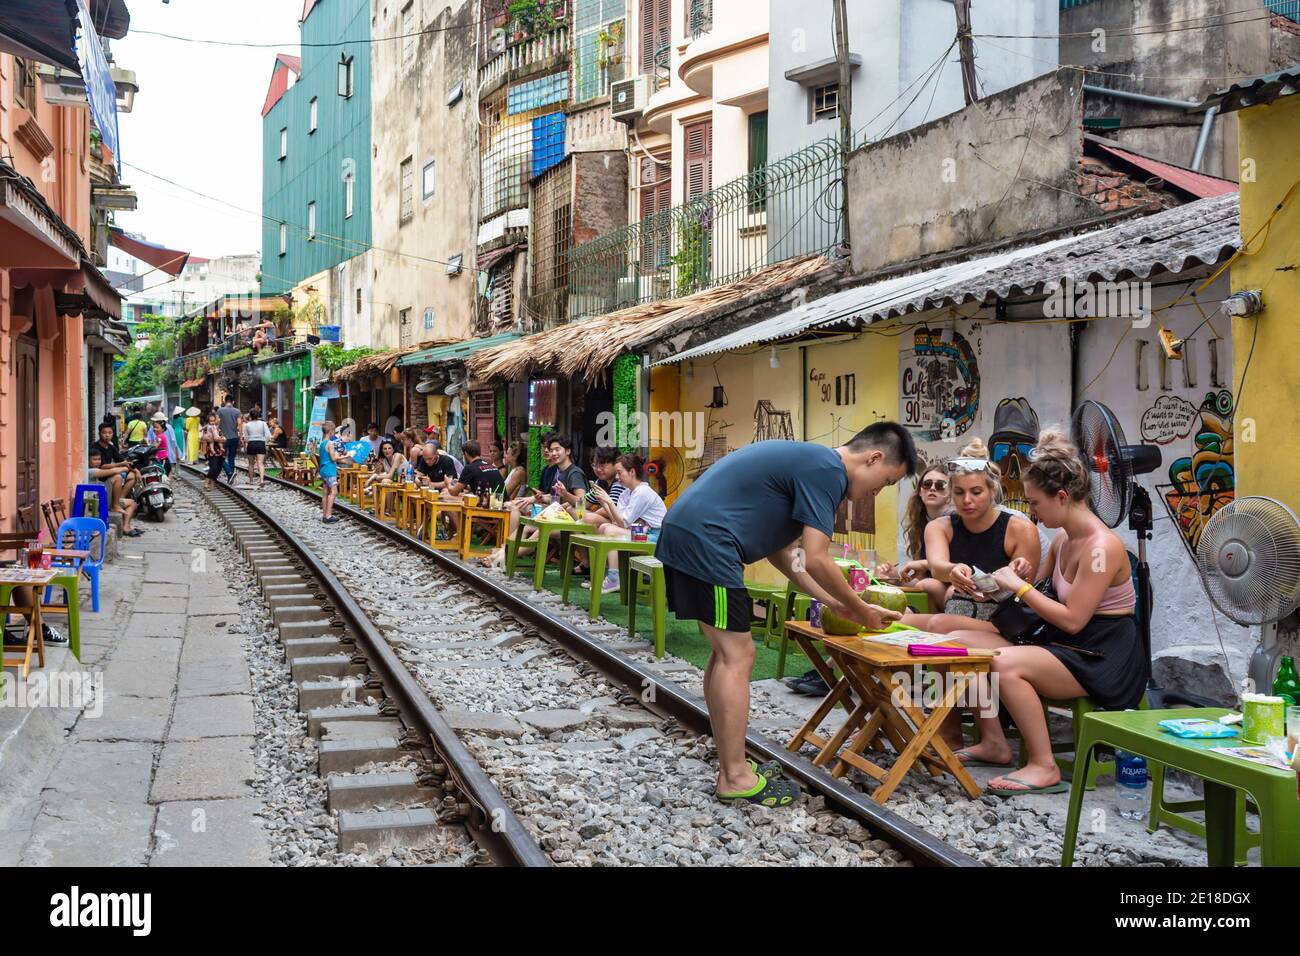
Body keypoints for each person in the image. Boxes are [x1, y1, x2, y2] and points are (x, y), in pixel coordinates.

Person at [656, 423, 918, 807]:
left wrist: (835, 603)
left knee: (725, 653)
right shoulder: (828, 471)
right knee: (739, 654)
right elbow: (816, 556)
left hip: (692, 535)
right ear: (873, 458)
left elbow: (786, 556)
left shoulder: (810, 465)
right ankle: (734, 776)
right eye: (885, 481)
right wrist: (860, 610)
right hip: (709, 542)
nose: (877, 492)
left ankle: (730, 761)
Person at [937, 430, 1148, 795]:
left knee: (1003, 662)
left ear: (1062, 497)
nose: (1030, 512)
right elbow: (1037, 593)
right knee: (955, 643)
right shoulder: (1065, 538)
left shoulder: (1103, 548)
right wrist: (1004, 585)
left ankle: (1044, 765)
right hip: (1063, 642)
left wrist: (1019, 588)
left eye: (1035, 503)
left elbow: (1073, 618)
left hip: (1101, 654)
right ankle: (994, 742)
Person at [903, 439, 1041, 632]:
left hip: (1004, 620)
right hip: (957, 609)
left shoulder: (1020, 529)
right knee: (889, 621)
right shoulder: (939, 527)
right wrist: (954, 569)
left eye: (976, 492)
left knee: (939, 623)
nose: (967, 500)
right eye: (959, 492)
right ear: (951, 492)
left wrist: (1012, 575)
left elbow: (1023, 593)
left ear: (993, 490)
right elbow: (937, 567)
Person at [586, 454, 667, 594]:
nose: (617, 477)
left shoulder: (642, 492)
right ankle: (608, 576)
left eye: (619, 473)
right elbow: (617, 521)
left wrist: (609, 501)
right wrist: (604, 502)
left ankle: (613, 577)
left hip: (656, 538)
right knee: (606, 527)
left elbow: (622, 523)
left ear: (632, 472)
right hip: (642, 532)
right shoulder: (626, 494)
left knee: (608, 530)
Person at [88, 448, 142, 537]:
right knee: (117, 477)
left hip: (103, 500)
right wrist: (123, 468)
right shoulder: (90, 471)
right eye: (94, 460)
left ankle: (126, 527)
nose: (97, 462)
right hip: (96, 503)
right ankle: (115, 506)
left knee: (132, 503)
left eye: (99, 459)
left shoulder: (96, 472)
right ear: (88, 461)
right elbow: (112, 471)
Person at [91, 422, 137, 511]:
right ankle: (115, 505)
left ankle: (119, 499)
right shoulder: (95, 447)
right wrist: (120, 465)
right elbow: (102, 466)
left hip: (110, 475)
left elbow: (122, 459)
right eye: (104, 433)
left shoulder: (111, 447)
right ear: (99, 434)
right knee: (118, 477)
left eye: (110, 433)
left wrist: (136, 470)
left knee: (132, 476)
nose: (107, 435)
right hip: (101, 478)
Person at [317, 420, 345, 523]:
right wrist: (346, 455)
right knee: (334, 492)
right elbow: (333, 458)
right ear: (331, 432)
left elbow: (325, 458)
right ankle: (328, 515)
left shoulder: (322, 444)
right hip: (330, 471)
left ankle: (324, 515)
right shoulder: (330, 443)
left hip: (324, 470)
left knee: (325, 492)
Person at [243, 406, 272, 489]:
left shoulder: (247, 425)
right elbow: (268, 435)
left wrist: (248, 441)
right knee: (260, 463)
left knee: (251, 464)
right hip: (261, 444)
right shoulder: (263, 423)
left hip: (251, 444)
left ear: (250, 416)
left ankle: (251, 481)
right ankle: (262, 480)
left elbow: (245, 438)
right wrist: (264, 441)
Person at [217, 398, 241, 483]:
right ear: (233, 401)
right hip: (234, 437)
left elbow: (218, 422)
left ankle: (229, 473)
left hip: (223, 439)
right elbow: (239, 424)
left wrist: (216, 433)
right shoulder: (237, 411)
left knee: (220, 457)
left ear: (225, 401)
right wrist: (240, 436)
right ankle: (230, 477)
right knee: (231, 458)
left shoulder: (220, 411)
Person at [200, 410, 225, 490]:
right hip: (212, 451)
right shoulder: (209, 428)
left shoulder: (219, 429)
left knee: (218, 468)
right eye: (218, 418)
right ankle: (207, 482)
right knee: (214, 467)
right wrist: (218, 439)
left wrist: (220, 440)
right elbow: (204, 437)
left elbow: (223, 438)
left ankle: (212, 484)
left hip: (220, 451)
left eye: (217, 419)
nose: (219, 419)